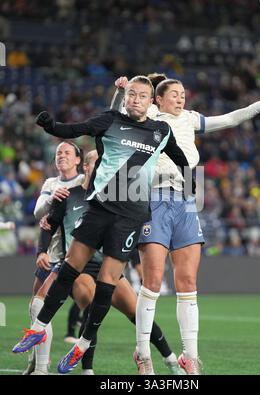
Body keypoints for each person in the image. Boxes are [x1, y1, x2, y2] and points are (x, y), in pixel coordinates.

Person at [12, 75, 192, 375]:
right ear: (125, 98)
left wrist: (190, 184)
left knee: (108, 283)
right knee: (69, 268)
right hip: (100, 209)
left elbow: (180, 158)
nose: (135, 99)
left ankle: (82, 344)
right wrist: (49, 125)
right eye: (131, 94)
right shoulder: (109, 120)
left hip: (131, 216)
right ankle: (39, 327)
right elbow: (72, 129)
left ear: (151, 102)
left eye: (141, 96)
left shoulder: (161, 131)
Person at [111, 75, 260, 374]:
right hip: (152, 199)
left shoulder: (191, 119)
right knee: (151, 281)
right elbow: (115, 118)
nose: (181, 99)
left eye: (183, 94)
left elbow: (231, 118)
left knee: (188, 283)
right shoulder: (149, 116)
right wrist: (119, 92)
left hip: (186, 203)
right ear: (159, 99)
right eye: (175, 94)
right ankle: (143, 353)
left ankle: (189, 357)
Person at [35, 149, 184, 375]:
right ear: (86, 167)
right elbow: (48, 224)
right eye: (101, 163)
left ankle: (171, 360)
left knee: (138, 313)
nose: (107, 168)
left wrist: (135, 264)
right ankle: (87, 370)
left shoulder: (113, 199)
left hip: (109, 269)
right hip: (79, 270)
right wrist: (42, 251)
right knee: (92, 304)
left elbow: (124, 236)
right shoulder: (69, 194)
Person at [23, 141, 84, 375]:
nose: (62, 155)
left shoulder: (83, 183)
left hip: (72, 256)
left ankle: (41, 367)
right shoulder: (50, 183)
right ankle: (35, 358)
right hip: (52, 253)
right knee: (34, 308)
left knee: (42, 305)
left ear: (78, 160)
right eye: (59, 152)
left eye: (67, 152)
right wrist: (42, 250)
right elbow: (39, 212)